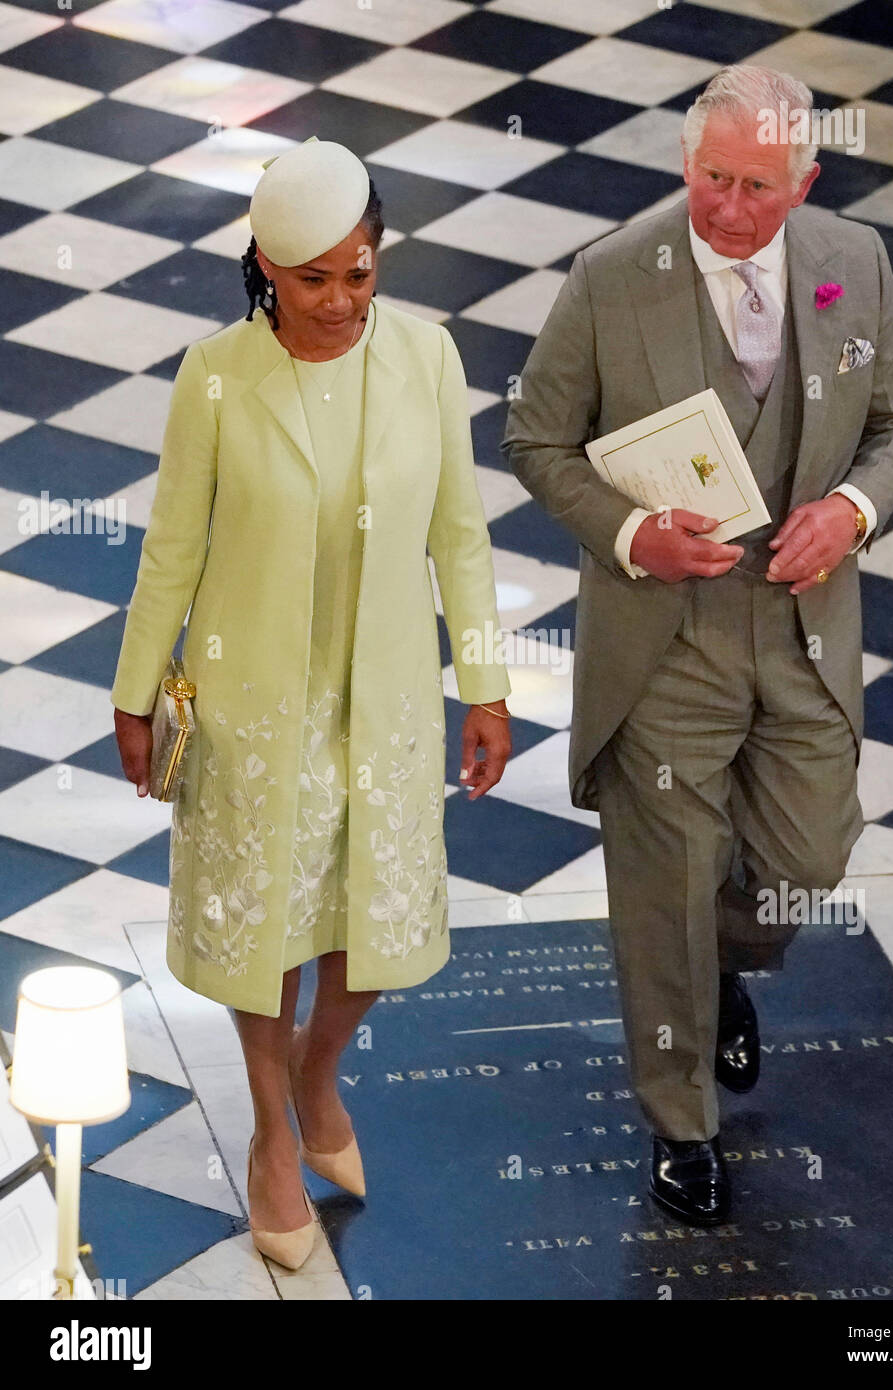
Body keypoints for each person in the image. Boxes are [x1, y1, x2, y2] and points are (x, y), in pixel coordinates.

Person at [502, 65, 893, 1226]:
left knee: (807, 861)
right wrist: (635, 531)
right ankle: (680, 1125)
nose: (729, 208)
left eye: (757, 185)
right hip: (665, 639)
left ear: (808, 180)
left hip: (801, 630)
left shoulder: (859, 264)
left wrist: (851, 512)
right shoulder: (609, 278)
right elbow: (536, 438)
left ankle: (725, 966)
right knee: (665, 889)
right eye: (711, 178)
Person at [111, 136, 512, 1269]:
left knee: (375, 927)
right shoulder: (219, 377)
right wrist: (135, 693)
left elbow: (463, 538)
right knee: (266, 929)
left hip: (381, 701)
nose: (342, 301)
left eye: (361, 271)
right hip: (251, 705)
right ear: (266, 270)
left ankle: (315, 1068)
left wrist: (483, 681)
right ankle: (273, 1133)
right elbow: (171, 550)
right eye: (313, 279)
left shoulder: (428, 359)